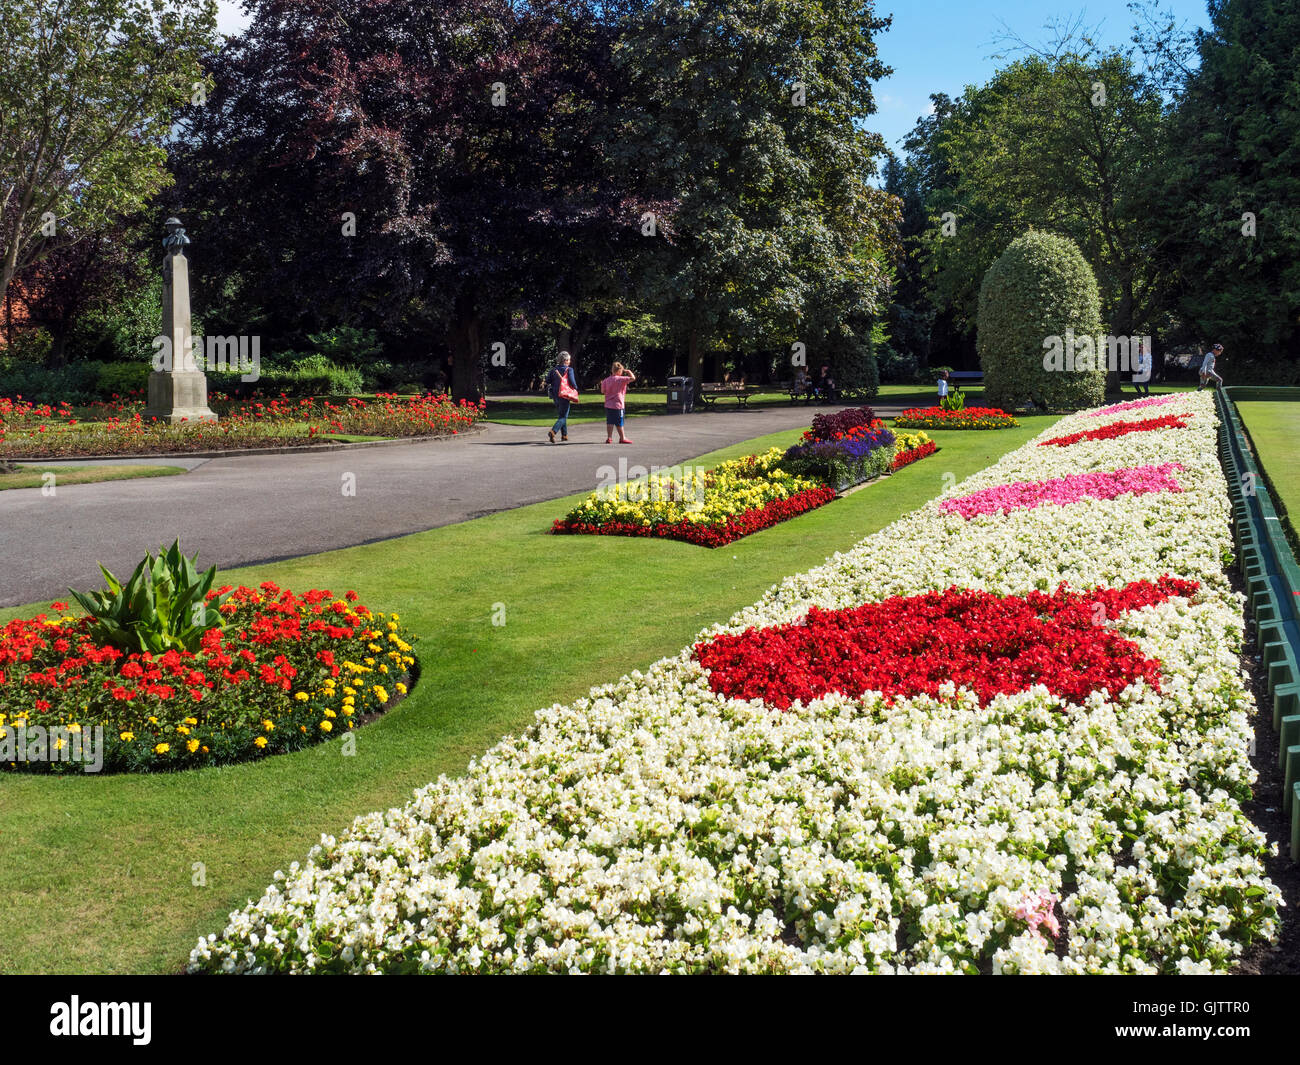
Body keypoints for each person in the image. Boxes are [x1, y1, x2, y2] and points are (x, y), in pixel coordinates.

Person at [601, 361, 637, 444]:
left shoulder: (606, 380)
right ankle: (622, 437)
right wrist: (629, 372)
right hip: (618, 405)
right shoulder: (622, 379)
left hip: (608, 405)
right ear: (620, 371)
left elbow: (603, 391)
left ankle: (609, 438)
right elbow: (633, 378)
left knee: (610, 421)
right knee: (619, 422)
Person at [546, 351, 578, 443]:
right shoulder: (569, 370)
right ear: (565, 360)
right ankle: (553, 431)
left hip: (555, 395)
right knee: (564, 416)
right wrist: (576, 388)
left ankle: (564, 435)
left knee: (561, 415)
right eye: (569, 360)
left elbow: (548, 380)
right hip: (564, 394)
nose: (569, 361)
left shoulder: (553, 370)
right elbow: (572, 381)